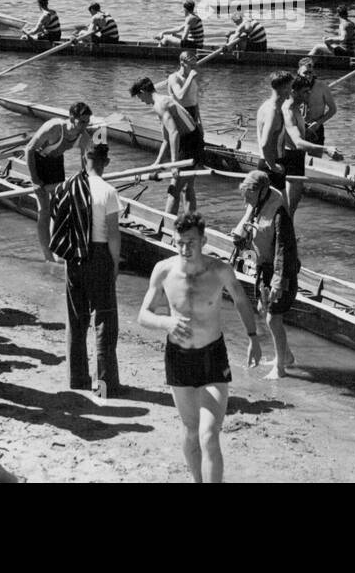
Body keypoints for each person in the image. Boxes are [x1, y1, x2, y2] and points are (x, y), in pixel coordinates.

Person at [137, 212, 261, 483]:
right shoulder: (164, 271)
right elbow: (143, 315)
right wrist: (165, 321)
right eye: (180, 242)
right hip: (178, 357)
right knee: (191, 430)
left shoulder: (219, 271)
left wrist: (253, 337)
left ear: (203, 240)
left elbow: (241, 299)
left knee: (209, 433)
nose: (185, 248)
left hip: (212, 356)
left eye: (191, 242)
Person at [58, 143, 123, 394]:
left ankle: (77, 379)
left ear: (85, 159)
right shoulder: (109, 191)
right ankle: (106, 384)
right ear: (106, 162)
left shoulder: (68, 187)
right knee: (105, 320)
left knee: (76, 320)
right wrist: (115, 263)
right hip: (99, 255)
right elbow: (113, 233)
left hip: (73, 256)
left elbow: (58, 226)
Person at [231, 171, 298, 378]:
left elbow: (283, 250)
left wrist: (278, 283)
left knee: (273, 319)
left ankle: (280, 368)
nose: (245, 200)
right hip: (263, 269)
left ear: (261, 191)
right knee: (263, 309)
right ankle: (286, 356)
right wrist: (240, 241)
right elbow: (249, 238)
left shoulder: (279, 213)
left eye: (248, 195)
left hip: (280, 272)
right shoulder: (256, 204)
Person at [25, 103, 93, 260]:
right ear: (71, 118)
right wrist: (35, 180)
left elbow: (86, 165)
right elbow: (29, 149)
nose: (85, 125)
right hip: (38, 162)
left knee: (58, 208)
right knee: (44, 210)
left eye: (88, 122)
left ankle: (58, 249)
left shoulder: (84, 137)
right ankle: (48, 256)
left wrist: (87, 183)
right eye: (82, 122)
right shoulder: (54, 128)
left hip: (56, 163)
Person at [130, 76, 200, 217]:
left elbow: (174, 133)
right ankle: (191, 223)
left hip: (190, 143)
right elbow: (166, 140)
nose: (142, 102)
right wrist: (157, 163)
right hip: (194, 139)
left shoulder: (160, 105)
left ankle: (168, 228)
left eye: (140, 97)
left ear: (144, 91)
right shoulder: (162, 101)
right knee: (187, 187)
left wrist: (174, 164)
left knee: (174, 189)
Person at [280, 74, 342, 215]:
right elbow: (298, 143)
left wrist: (306, 130)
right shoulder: (289, 111)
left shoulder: (296, 109)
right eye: (305, 92)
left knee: (292, 204)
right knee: (290, 205)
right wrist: (326, 149)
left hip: (294, 157)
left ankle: (285, 234)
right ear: (293, 92)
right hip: (291, 158)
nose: (309, 94)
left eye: (309, 91)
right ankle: (282, 235)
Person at [295, 57, 335, 142]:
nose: (308, 76)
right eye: (305, 73)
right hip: (298, 126)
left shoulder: (322, 87)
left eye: (310, 72)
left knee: (315, 154)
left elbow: (333, 109)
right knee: (296, 155)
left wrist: (318, 123)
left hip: (316, 127)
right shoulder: (294, 87)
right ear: (298, 72)